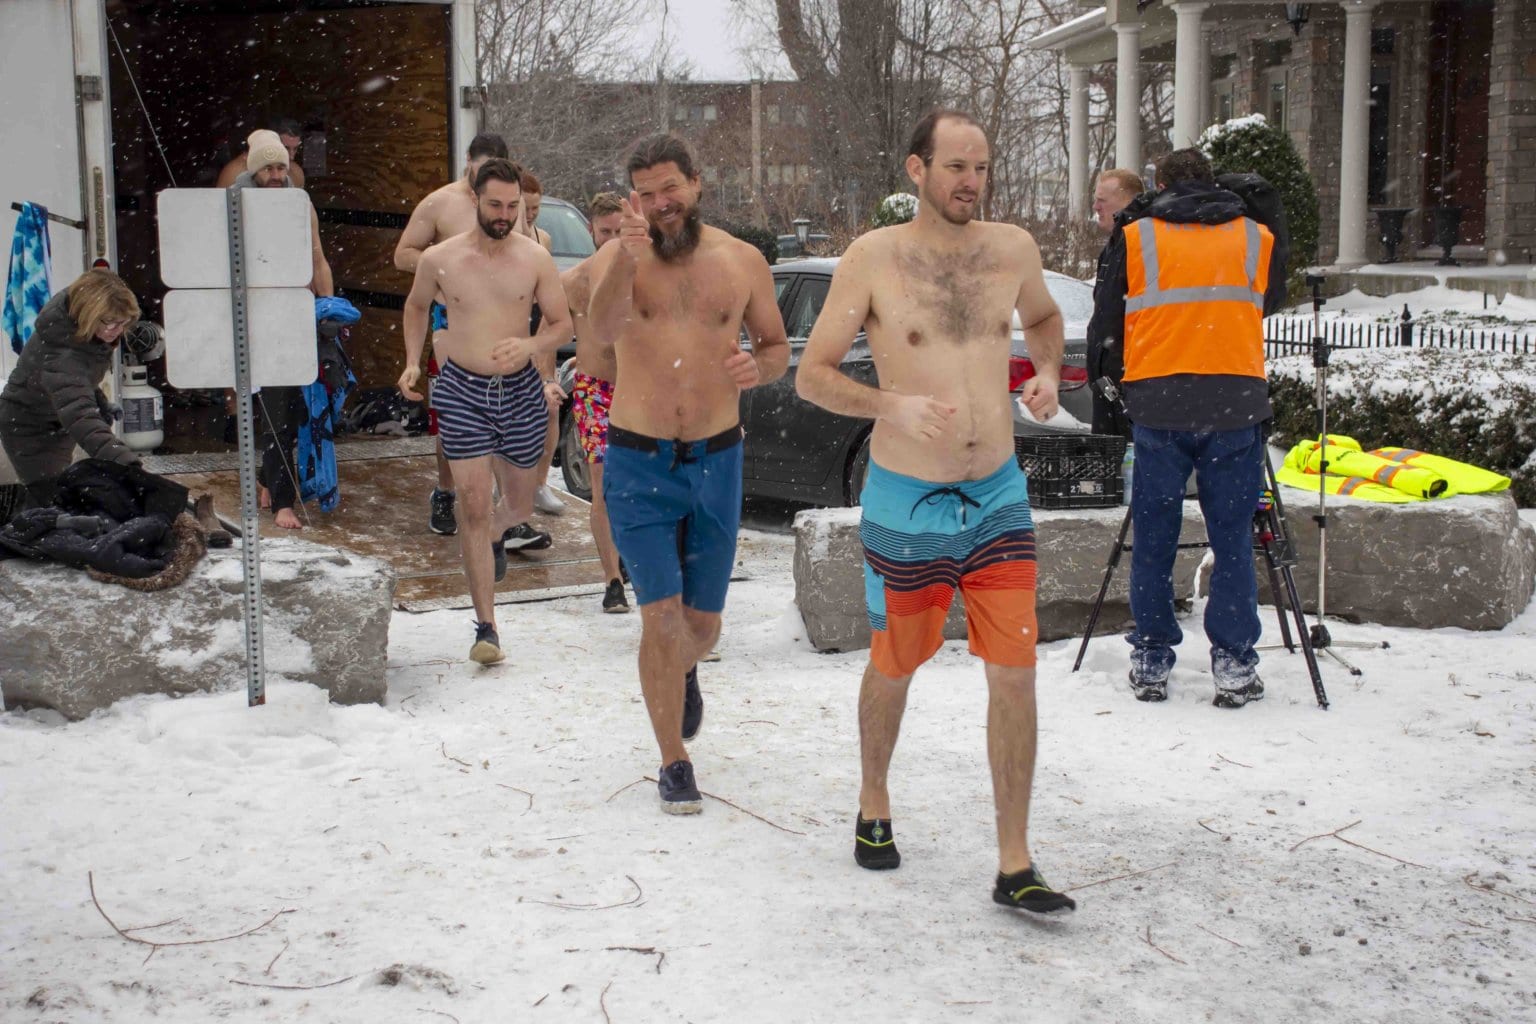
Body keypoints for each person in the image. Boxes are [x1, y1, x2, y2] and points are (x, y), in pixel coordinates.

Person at [794, 109, 1075, 916]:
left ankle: (1014, 862)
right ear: (916, 169)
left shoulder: (1011, 249)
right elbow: (814, 375)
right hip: (905, 500)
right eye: (956, 166)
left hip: (997, 495)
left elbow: (1046, 319)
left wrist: (1046, 372)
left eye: (981, 167)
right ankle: (874, 798)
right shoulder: (873, 259)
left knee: (1014, 673)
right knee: (897, 659)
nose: (971, 182)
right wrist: (891, 405)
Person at [588, 134, 788, 814]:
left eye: (669, 189)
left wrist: (757, 369)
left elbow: (776, 348)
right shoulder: (621, 259)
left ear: (697, 184)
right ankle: (674, 759)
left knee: (701, 628)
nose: (659, 204)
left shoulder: (743, 261)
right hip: (638, 459)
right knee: (661, 618)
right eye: (645, 194)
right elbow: (597, 334)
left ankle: (685, 671)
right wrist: (625, 259)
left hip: (716, 460)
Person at [1091, 147, 1277, 709]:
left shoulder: (1138, 235)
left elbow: (1107, 317)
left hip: (1160, 400)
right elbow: (1270, 298)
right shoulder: (1254, 235)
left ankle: (1151, 651)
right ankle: (1235, 660)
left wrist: (1118, 384)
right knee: (1233, 539)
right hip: (1234, 400)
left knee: (1154, 535)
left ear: (1159, 184)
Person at [398, 158, 570, 665]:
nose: (505, 214)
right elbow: (415, 306)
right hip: (462, 390)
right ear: (474, 200)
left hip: (518, 392)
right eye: (496, 204)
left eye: (513, 206)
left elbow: (561, 325)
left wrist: (531, 345)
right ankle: (486, 628)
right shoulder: (441, 258)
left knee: (517, 507)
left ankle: (498, 535)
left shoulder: (535, 257)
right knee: (472, 505)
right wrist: (412, 361)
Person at [395, 132, 511, 537]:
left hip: (500, 320)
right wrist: (442, 273)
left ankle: (501, 505)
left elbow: (526, 246)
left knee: (502, 411)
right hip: (450, 320)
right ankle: (445, 491)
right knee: (451, 415)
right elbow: (403, 252)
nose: (485, 186)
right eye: (479, 175)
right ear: (468, 163)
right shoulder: (440, 202)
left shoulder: (506, 204)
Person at [229, 130, 333, 530]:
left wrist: (328, 309)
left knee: (292, 407)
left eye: (281, 167)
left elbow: (318, 256)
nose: (275, 174)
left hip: (292, 313)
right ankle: (282, 502)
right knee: (271, 411)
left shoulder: (299, 204)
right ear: (254, 170)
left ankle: (267, 480)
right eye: (268, 167)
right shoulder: (234, 204)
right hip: (251, 318)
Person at [0, 270, 143, 507]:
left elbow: (78, 382)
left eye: (123, 322)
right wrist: (127, 464)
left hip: (57, 420)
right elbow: (78, 413)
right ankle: (23, 539)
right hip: (27, 427)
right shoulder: (62, 352)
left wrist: (99, 401)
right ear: (90, 313)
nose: (116, 329)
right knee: (52, 501)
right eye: (109, 321)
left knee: (60, 499)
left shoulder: (83, 331)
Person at [558, 192, 627, 612]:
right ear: (592, 231)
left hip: (639, 389)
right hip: (595, 389)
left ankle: (638, 559)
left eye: (621, 231)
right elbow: (552, 332)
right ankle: (612, 579)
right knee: (602, 485)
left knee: (645, 484)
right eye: (606, 232)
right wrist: (547, 377)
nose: (613, 239)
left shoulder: (645, 275)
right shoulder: (573, 281)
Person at [515, 169, 565, 518]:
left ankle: (540, 483)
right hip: (507, 326)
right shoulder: (500, 236)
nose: (531, 214)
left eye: (536, 208)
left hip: (536, 326)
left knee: (549, 407)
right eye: (525, 208)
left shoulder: (542, 238)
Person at [1087, 168, 1145, 437]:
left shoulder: (1139, 243)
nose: (1095, 207)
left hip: (1129, 383)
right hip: (1107, 381)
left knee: (1128, 467)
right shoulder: (1112, 246)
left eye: (1102, 200)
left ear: (1126, 201)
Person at [216, 118, 307, 189]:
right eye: (285, 148)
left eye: (295, 149)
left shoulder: (296, 172)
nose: (291, 157)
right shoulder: (234, 172)